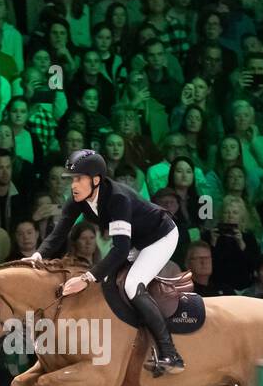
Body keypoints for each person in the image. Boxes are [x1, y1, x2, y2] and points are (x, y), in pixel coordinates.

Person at [29, 149, 185, 373]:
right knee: (110, 284)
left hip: (160, 236)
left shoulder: (117, 199)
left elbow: (120, 250)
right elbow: (59, 234)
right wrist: (36, 256)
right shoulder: (77, 200)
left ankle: (170, 353)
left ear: (95, 180)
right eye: (72, 179)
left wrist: (86, 278)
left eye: (79, 179)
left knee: (132, 285)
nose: (73, 185)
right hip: (135, 241)